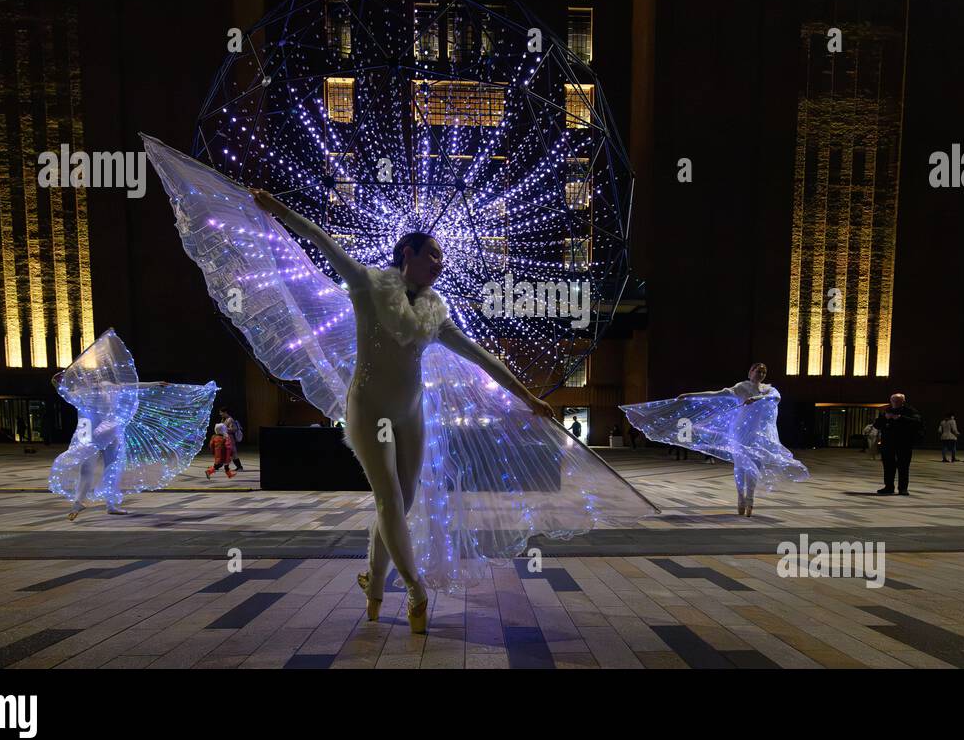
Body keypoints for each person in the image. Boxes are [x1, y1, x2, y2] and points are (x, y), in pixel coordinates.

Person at [252, 189, 557, 634]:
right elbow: (320, 239)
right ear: (407, 253)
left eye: (441, 257)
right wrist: (275, 207)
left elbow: (480, 357)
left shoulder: (435, 314)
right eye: (432, 254)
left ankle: (373, 584)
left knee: (402, 501)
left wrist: (527, 395)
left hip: (410, 413)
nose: (440, 263)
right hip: (369, 409)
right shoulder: (367, 283)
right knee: (389, 498)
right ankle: (414, 588)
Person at [48, 329, 219, 521]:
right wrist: (59, 381)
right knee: (87, 466)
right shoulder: (81, 392)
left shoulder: (107, 386)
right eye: (89, 376)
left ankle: (111, 504)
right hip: (89, 430)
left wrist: (154, 383)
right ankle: (79, 502)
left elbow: (132, 387)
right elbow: (63, 390)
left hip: (111, 428)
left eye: (94, 375)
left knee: (113, 466)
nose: (93, 378)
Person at [621, 362, 809, 516]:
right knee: (741, 464)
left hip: (757, 433)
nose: (760, 374)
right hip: (740, 432)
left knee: (756, 464)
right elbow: (716, 394)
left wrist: (757, 398)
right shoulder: (741, 388)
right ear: (750, 372)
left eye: (763, 372)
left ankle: (750, 499)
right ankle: (741, 498)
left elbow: (775, 398)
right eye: (757, 371)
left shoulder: (768, 390)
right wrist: (691, 396)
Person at [874, 393, 922, 495]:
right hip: (888, 443)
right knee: (888, 466)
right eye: (893, 401)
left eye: (897, 401)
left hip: (904, 443)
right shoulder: (887, 411)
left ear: (903, 401)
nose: (895, 403)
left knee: (903, 466)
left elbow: (917, 423)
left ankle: (903, 488)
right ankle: (888, 486)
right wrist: (885, 418)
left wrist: (900, 418)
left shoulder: (910, 411)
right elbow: (876, 425)